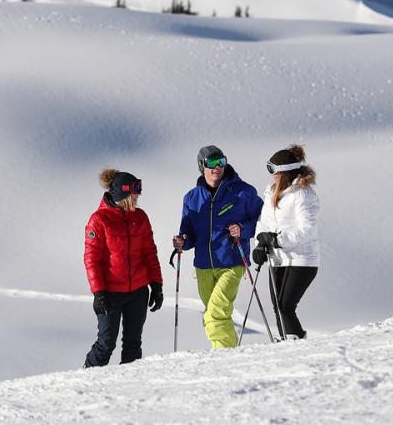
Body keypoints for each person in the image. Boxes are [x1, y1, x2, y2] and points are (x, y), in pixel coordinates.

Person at [172, 145, 262, 348]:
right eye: (212, 163)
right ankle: (230, 353)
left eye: (221, 162)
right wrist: (182, 241)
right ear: (201, 166)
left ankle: (223, 356)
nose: (217, 167)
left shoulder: (244, 192)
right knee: (216, 314)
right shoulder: (192, 197)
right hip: (204, 266)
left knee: (215, 313)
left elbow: (263, 220)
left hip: (232, 261)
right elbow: (188, 232)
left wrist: (243, 229)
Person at [84, 169, 164, 367]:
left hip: (138, 292)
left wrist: (156, 284)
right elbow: (91, 259)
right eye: (135, 193)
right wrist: (98, 293)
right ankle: (86, 377)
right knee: (106, 344)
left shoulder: (140, 217)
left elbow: (149, 252)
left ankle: (129, 383)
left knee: (133, 344)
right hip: (110, 293)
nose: (138, 197)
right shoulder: (99, 220)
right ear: (123, 193)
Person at [253, 144, 320, 340]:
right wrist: (260, 243)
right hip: (277, 258)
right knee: (278, 307)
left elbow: (307, 230)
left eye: (272, 169)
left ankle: (295, 342)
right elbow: (264, 222)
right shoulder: (271, 191)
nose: (271, 174)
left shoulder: (303, 194)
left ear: (284, 171)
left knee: (285, 306)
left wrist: (276, 240)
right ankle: (287, 341)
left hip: (301, 259)